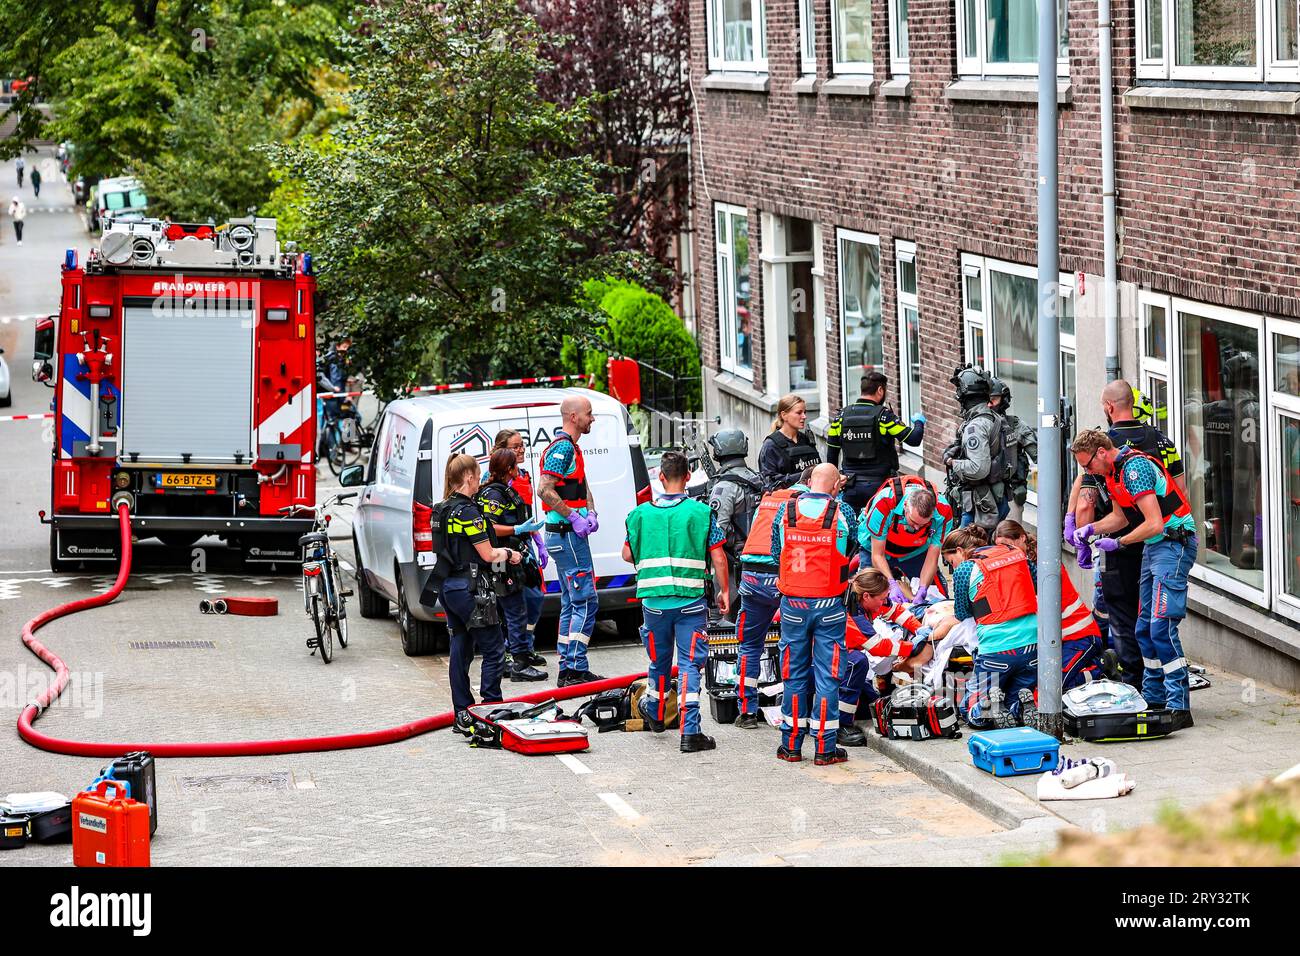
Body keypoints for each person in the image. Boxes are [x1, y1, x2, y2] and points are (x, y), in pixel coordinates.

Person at [1070, 429, 1196, 730]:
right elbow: (1122, 517)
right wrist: (1091, 530)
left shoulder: (1134, 469)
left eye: (1087, 465)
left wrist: (1120, 543)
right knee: (1143, 628)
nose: (1087, 472)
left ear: (1102, 452)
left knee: (1161, 627)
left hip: (1173, 545)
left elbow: (1153, 523)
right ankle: (1153, 698)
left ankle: (1180, 705)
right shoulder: (1112, 474)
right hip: (1156, 548)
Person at [1067, 380, 1186, 690]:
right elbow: (1180, 491)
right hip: (1155, 544)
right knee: (1151, 617)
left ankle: (1135, 683)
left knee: (1120, 615)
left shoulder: (1103, 448)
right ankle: (1153, 686)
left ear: (1109, 407)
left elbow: (1086, 502)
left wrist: (1080, 529)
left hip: (1122, 544)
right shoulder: (1162, 441)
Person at [622, 451, 730, 753]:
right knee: (689, 665)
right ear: (688, 477)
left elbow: (627, 554)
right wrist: (724, 592)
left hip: (654, 603)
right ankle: (690, 732)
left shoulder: (639, 515)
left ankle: (656, 715)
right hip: (690, 603)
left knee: (658, 661)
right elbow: (718, 556)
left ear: (660, 477)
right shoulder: (701, 512)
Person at [771, 463, 859, 765]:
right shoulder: (843, 512)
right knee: (828, 677)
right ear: (835, 486)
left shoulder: (786, 511)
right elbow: (849, 552)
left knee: (793, 675)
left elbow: (775, 554)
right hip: (830, 605)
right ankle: (825, 749)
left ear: (809, 483)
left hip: (793, 603)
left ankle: (791, 746)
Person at [436, 454, 524, 737]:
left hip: (447, 587)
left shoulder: (441, 510)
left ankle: (462, 713)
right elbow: (487, 554)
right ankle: (490, 711)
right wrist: (511, 554)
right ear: (469, 477)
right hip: (470, 589)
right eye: (478, 475)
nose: (481, 480)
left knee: (460, 649)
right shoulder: (468, 512)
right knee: (495, 649)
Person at [731, 464, 816, 729]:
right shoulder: (808, 504)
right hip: (780, 576)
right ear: (812, 482)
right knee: (793, 645)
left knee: (749, 645)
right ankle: (795, 711)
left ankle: (746, 712)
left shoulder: (768, 500)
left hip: (751, 576)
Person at [942, 525, 1039, 729]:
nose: (952, 568)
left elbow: (962, 613)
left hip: (996, 650)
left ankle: (985, 708)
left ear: (959, 551)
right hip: (1033, 645)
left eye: (950, 562)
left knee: (968, 710)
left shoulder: (966, 569)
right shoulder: (1015, 554)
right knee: (1015, 700)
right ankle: (1018, 706)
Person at [539, 395, 604, 686]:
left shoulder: (572, 449)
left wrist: (589, 510)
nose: (592, 419)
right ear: (574, 417)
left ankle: (567, 667)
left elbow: (582, 484)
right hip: (567, 536)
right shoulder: (563, 447)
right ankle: (575, 667)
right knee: (586, 601)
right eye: (589, 414)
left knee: (570, 602)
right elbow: (544, 489)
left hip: (566, 535)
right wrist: (574, 517)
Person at [994, 520, 1101, 690]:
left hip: (1079, 636)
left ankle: (1098, 671)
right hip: (1053, 640)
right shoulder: (1023, 562)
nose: (1004, 552)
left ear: (1022, 538)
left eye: (1008, 546)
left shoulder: (1041, 564)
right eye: (999, 547)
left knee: (1051, 688)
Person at [839, 568, 934, 745]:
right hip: (827, 655)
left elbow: (896, 611)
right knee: (857, 663)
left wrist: (917, 628)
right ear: (867, 596)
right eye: (882, 598)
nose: (884, 601)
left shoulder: (865, 597)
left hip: (842, 652)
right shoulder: (851, 612)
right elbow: (877, 647)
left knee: (872, 708)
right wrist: (912, 647)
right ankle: (841, 725)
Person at [477, 448, 548, 682]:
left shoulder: (505, 490)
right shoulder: (494, 495)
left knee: (515, 608)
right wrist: (517, 530)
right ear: (508, 469)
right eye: (514, 466)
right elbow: (488, 527)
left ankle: (517, 656)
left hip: (512, 556)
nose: (518, 468)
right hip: (501, 559)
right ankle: (518, 663)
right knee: (514, 610)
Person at [826, 371, 925, 512]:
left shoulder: (840, 417)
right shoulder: (884, 417)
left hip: (850, 487)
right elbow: (914, 439)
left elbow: (831, 456)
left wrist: (835, 484)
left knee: (852, 528)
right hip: (881, 489)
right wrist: (919, 423)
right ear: (880, 390)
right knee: (880, 529)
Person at [493, 428, 547, 662]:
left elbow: (526, 515)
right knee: (505, 600)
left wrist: (538, 541)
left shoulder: (523, 475)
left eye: (522, 444)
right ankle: (508, 651)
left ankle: (525, 646)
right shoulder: (494, 483)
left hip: (524, 544)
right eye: (515, 446)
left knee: (534, 597)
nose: (521, 449)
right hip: (502, 548)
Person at [859, 475, 954, 603]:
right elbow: (877, 555)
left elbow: (932, 557)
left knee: (936, 595)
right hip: (876, 547)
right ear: (905, 506)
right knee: (867, 595)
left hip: (915, 551)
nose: (916, 528)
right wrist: (891, 584)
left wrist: (923, 588)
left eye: (923, 524)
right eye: (913, 522)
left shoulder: (943, 512)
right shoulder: (885, 503)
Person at [944, 366, 1009, 532]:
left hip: (980, 507)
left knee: (964, 552)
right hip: (992, 500)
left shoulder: (977, 426)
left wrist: (952, 462)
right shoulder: (994, 417)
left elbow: (978, 469)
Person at [707, 427, 762, 621]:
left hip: (733, 566)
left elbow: (717, 533)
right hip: (761, 560)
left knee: (727, 623)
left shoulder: (723, 487)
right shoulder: (758, 478)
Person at [990, 378, 1036, 523]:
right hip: (982, 495)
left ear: (1003, 400)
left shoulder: (1016, 426)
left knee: (1010, 538)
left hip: (1010, 493)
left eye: (994, 399)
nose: (989, 405)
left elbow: (1040, 456)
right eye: (986, 400)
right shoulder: (975, 427)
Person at [758, 394, 822, 492]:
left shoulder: (806, 439)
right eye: (799, 413)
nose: (804, 416)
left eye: (805, 412)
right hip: (786, 503)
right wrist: (805, 475)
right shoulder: (771, 445)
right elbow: (770, 483)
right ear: (784, 415)